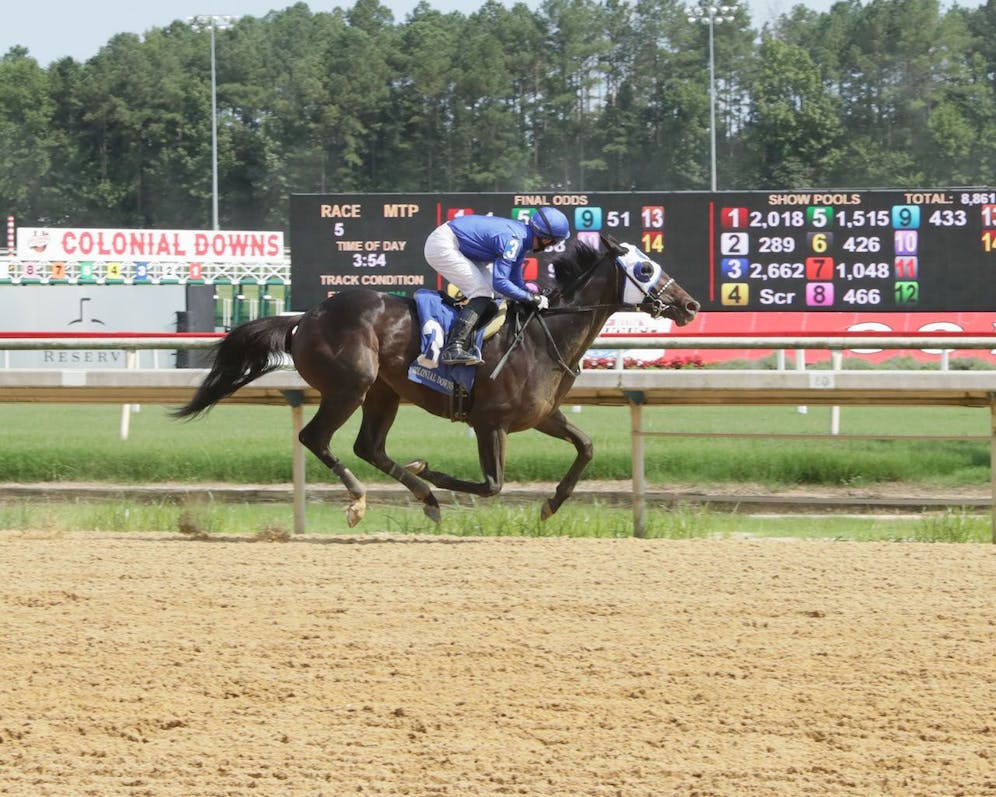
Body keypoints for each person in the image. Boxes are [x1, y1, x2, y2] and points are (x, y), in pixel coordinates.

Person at [423, 207, 571, 366]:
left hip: (459, 245)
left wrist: (531, 295)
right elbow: (500, 282)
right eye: (554, 242)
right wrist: (530, 298)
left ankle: (467, 340)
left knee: (491, 296)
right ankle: (453, 347)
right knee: (482, 293)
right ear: (547, 240)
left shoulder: (522, 238)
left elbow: (515, 280)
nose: (550, 246)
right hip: (443, 244)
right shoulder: (514, 239)